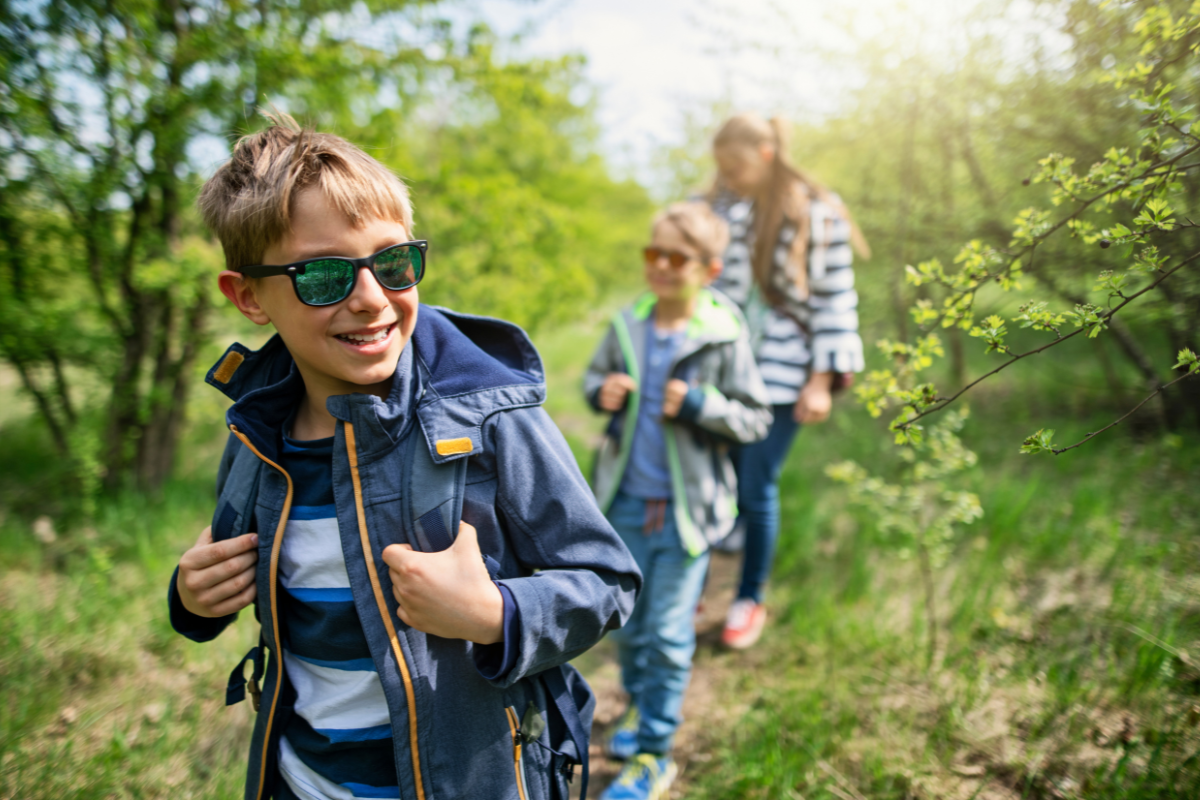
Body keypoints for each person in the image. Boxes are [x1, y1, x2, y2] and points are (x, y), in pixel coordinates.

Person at [167, 114, 641, 800]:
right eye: (322, 276)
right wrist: (194, 600)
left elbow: (608, 582)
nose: (369, 299)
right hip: (304, 782)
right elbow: (243, 580)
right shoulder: (255, 433)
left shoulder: (489, 416)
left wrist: (495, 615)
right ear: (248, 296)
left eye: (392, 263)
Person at [584, 202, 771, 800]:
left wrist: (698, 404)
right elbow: (594, 381)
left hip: (687, 516)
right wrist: (604, 392)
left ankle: (655, 753)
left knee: (666, 634)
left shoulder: (724, 334)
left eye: (677, 257)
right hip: (623, 507)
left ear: (709, 268)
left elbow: (754, 418)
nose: (661, 266)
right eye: (653, 253)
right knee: (629, 631)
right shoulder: (627, 325)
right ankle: (639, 712)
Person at [706, 113, 870, 650]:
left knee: (757, 484)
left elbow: (835, 299)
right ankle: (707, 575)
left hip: (782, 372)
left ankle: (748, 597)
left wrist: (821, 381)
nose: (728, 175)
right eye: (721, 166)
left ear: (767, 153)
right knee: (720, 474)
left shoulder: (817, 210)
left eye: (737, 165)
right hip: (724, 366)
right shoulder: (720, 207)